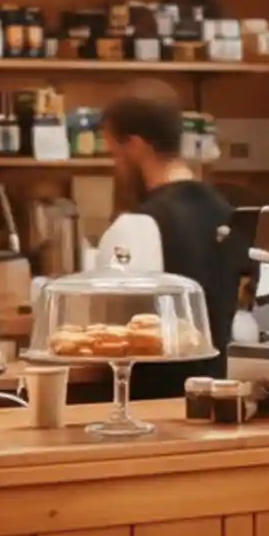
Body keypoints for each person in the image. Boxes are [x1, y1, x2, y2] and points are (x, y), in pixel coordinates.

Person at [96, 81, 237, 399]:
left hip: (152, 402)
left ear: (134, 145)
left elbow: (113, 334)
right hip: (218, 396)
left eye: (116, 154)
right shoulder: (227, 210)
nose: (116, 166)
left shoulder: (139, 224)